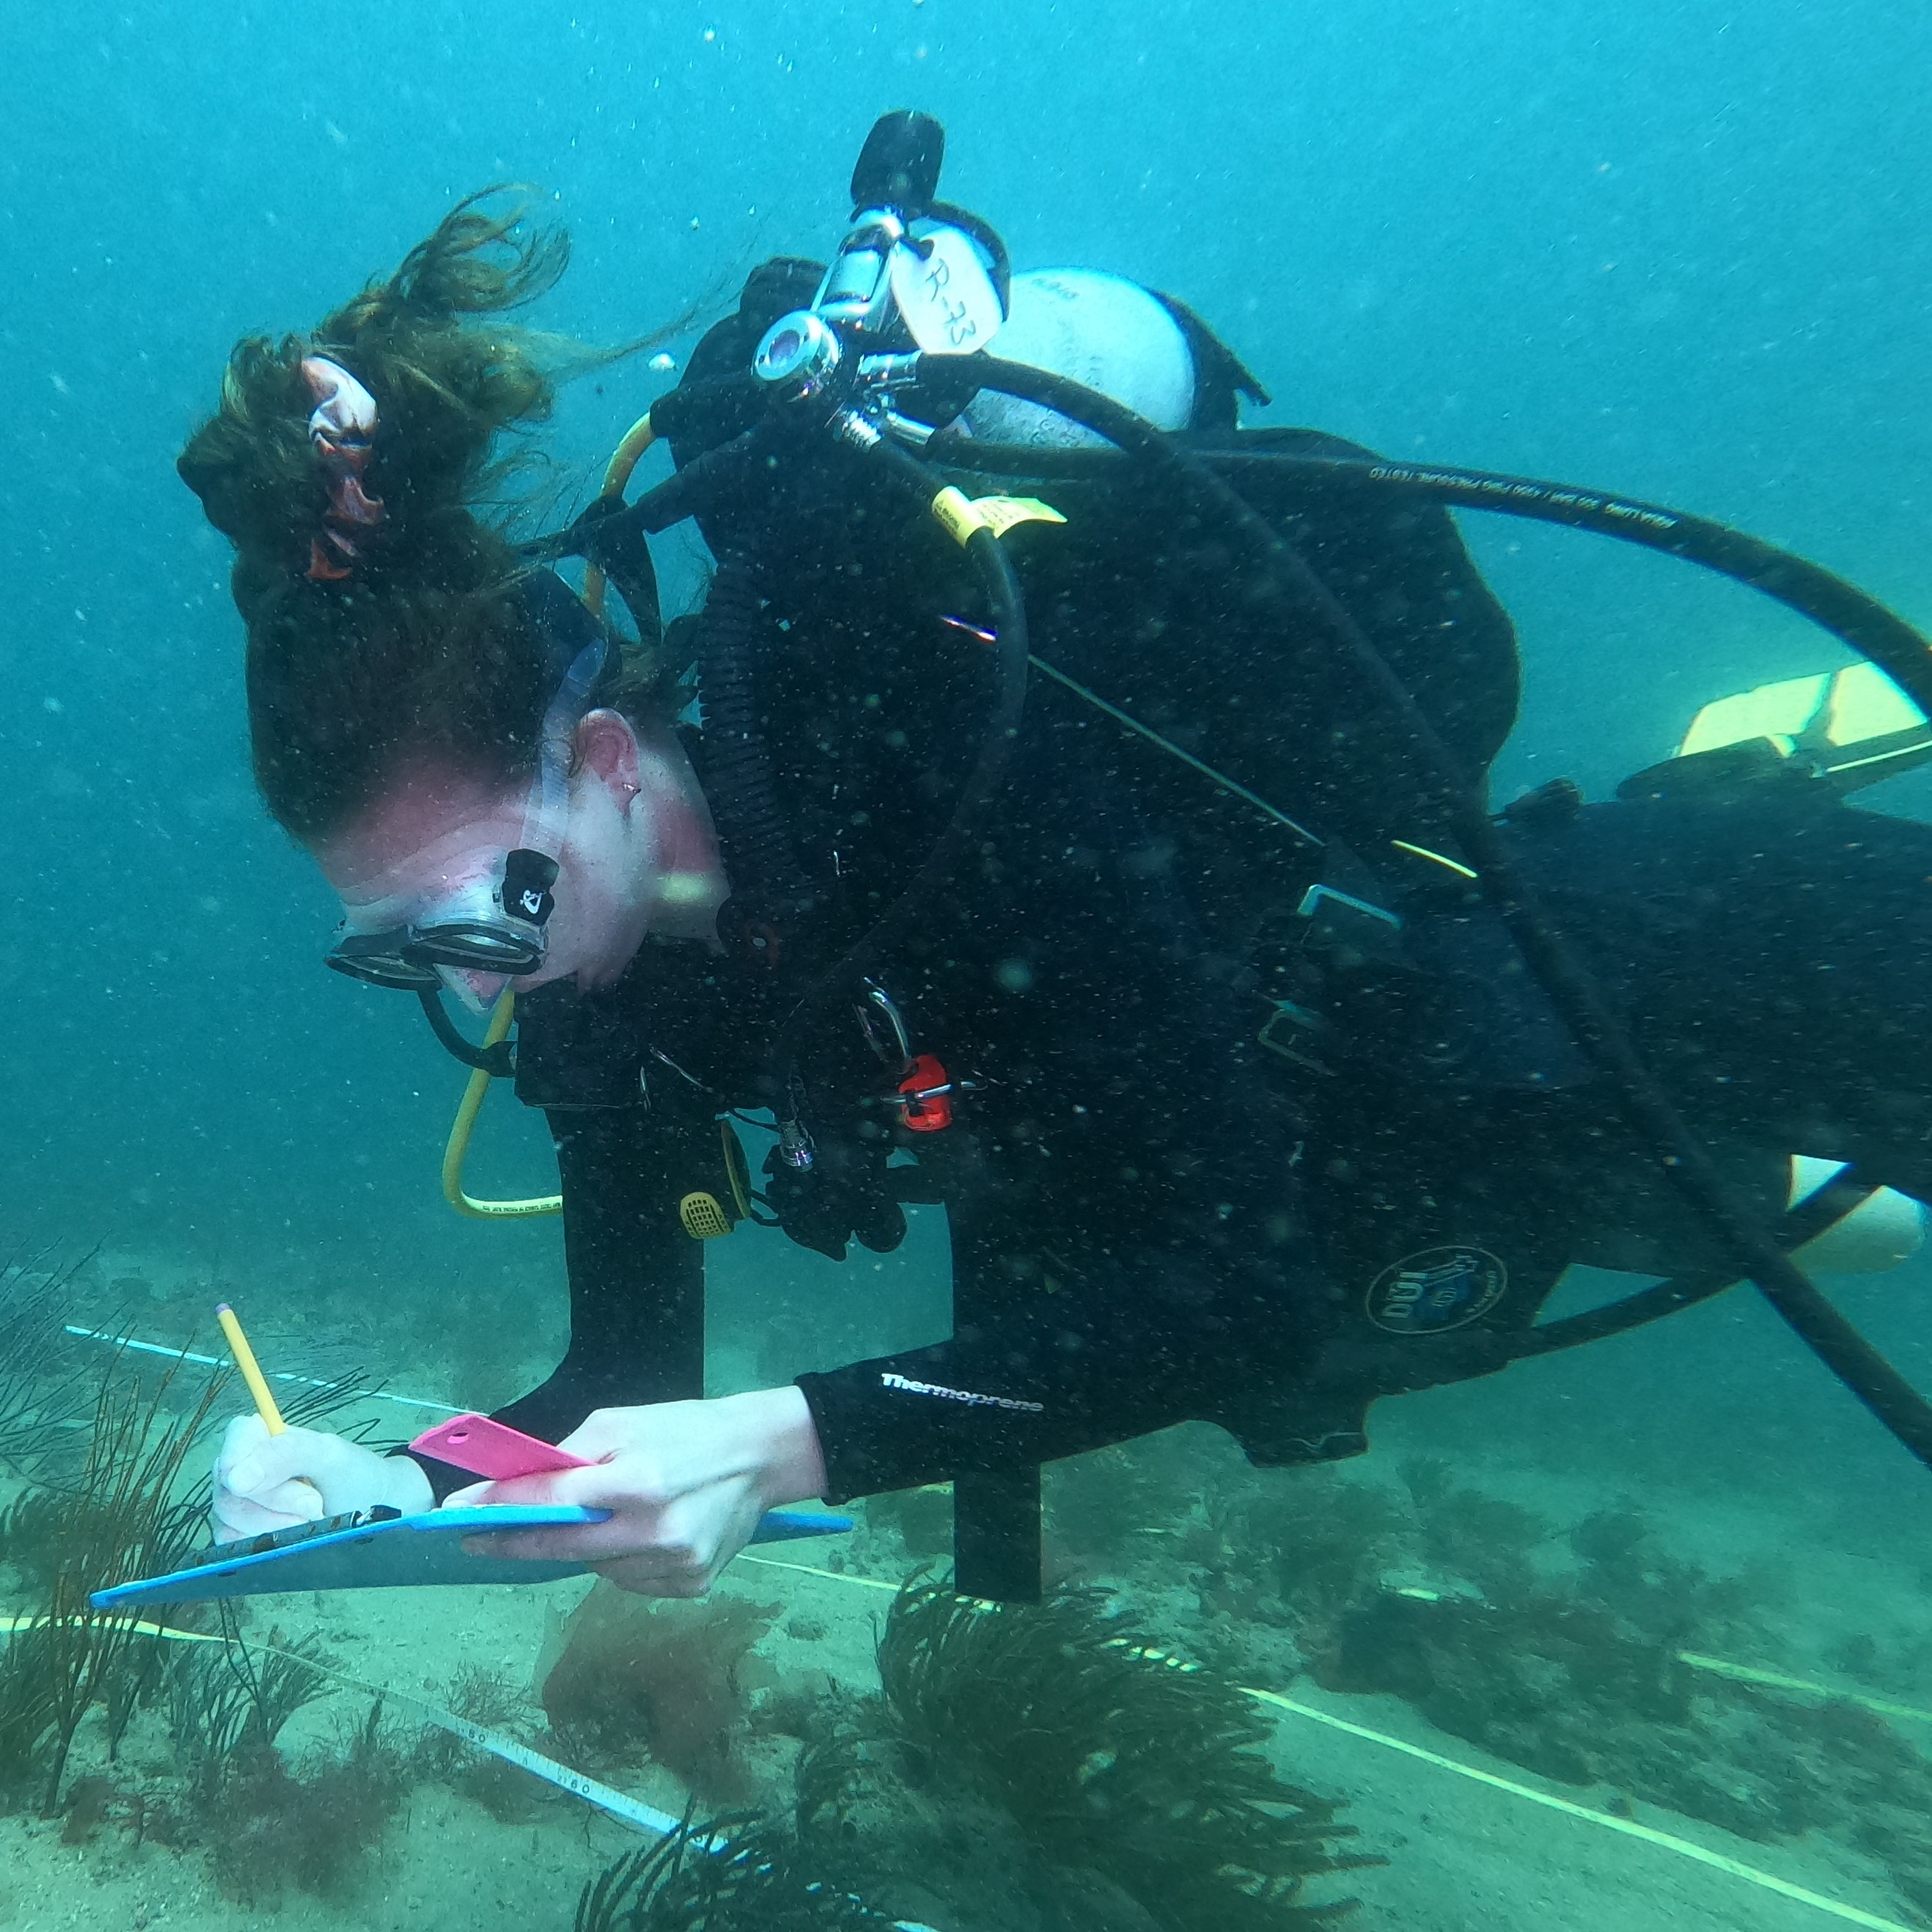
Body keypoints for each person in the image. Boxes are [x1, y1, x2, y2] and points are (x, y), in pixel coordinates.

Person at [183, 139, 1932, 1604]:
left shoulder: (923, 733)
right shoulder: (599, 987)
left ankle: (1754, 796)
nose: (479, 987)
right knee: (1761, 1203)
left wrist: (799, 1436)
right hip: (1386, 1198)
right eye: (405, 955)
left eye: (488, 913)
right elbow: (617, 1385)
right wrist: (398, 1482)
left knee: (1758, 1031)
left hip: (1484, 987)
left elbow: (1235, 1289)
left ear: (613, 767)